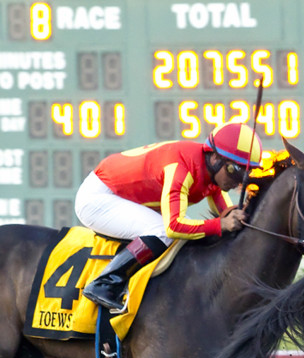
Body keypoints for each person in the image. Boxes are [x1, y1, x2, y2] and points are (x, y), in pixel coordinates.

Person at [74, 121, 260, 311]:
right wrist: (220, 225)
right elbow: (174, 226)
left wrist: (240, 215)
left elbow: (226, 212)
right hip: (99, 197)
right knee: (162, 231)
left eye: (245, 175)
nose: (237, 181)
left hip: (123, 196)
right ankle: (105, 283)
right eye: (234, 171)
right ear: (215, 158)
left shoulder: (211, 172)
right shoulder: (181, 169)